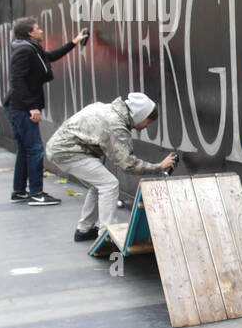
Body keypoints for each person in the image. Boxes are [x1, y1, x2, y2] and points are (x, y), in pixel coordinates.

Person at [44, 92, 177, 242]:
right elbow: (128, 164)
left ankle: (84, 229)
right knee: (109, 184)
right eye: (148, 121)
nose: (148, 126)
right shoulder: (115, 125)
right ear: (141, 115)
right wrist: (159, 167)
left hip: (63, 148)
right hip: (66, 152)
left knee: (100, 184)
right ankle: (107, 235)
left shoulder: (109, 110)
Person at [5, 17, 88, 206]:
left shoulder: (30, 48)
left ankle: (19, 191)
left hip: (18, 106)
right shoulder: (25, 50)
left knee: (25, 150)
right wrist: (31, 106)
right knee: (34, 149)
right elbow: (17, 80)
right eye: (37, 28)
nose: (41, 30)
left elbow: (49, 56)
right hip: (21, 108)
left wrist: (74, 42)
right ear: (30, 33)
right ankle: (36, 193)